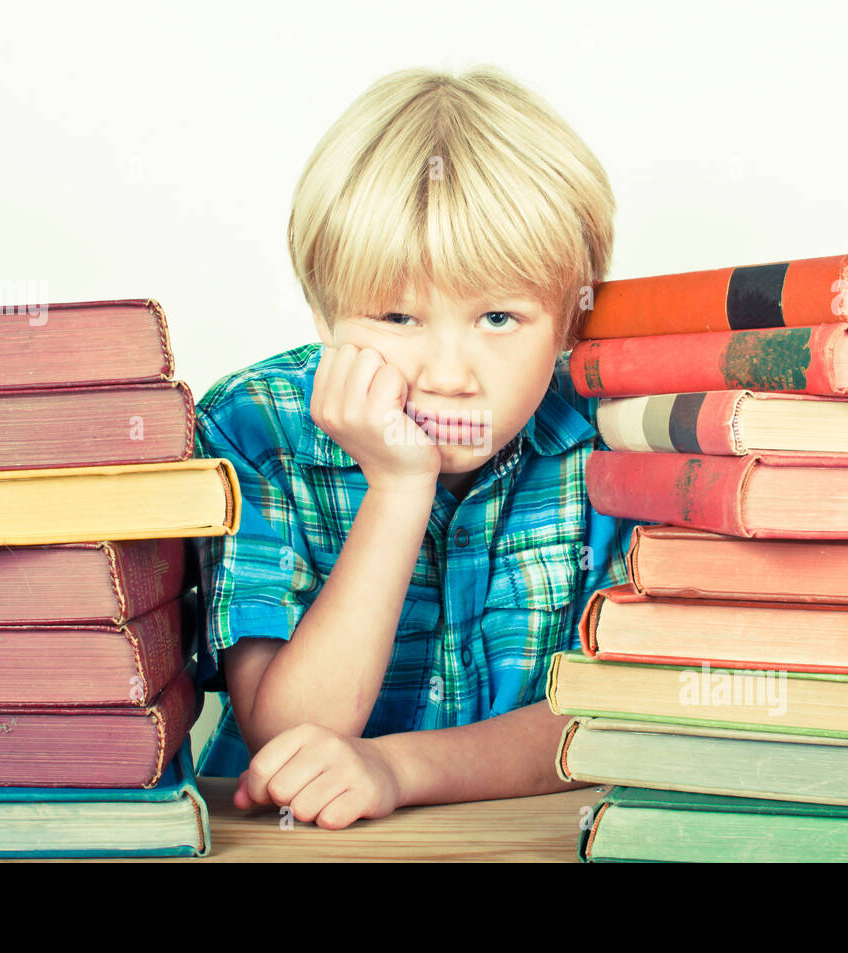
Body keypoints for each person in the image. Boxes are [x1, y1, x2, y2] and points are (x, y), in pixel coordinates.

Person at [192, 65, 642, 829]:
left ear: (572, 319)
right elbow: (290, 739)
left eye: (498, 318)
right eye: (397, 318)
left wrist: (399, 768)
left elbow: (621, 719)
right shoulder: (253, 428)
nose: (447, 376)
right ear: (327, 315)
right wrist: (400, 488)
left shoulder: (618, 438)